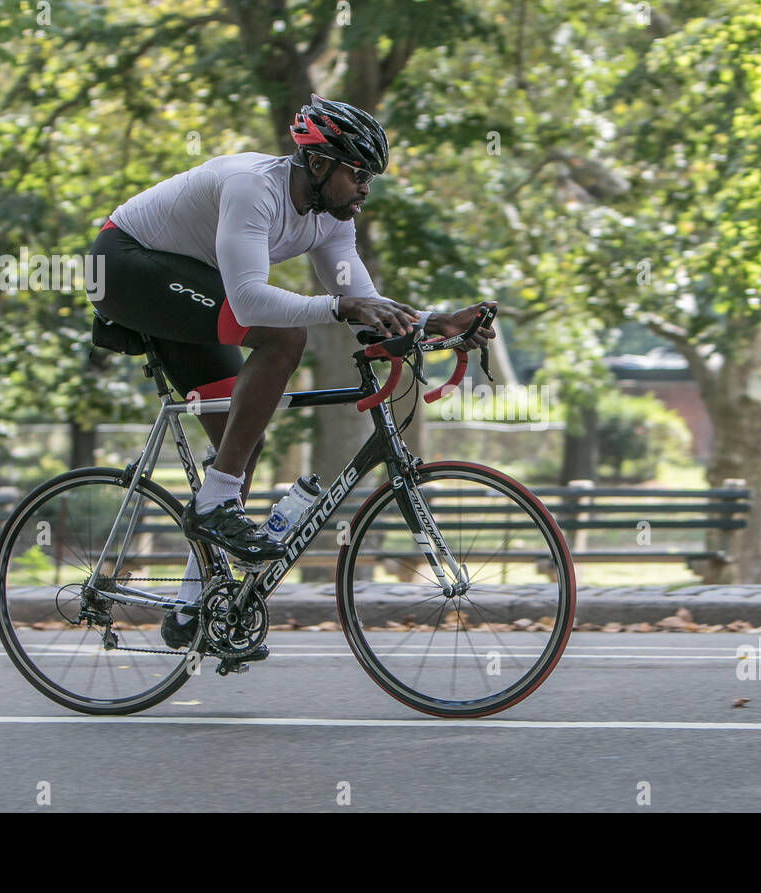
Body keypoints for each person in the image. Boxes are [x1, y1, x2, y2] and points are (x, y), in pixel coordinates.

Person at [85, 95, 496, 649]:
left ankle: (192, 608)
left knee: (241, 438)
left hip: (189, 279)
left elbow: (362, 302)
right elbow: (252, 304)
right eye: (358, 173)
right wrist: (337, 309)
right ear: (320, 164)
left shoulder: (330, 221)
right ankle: (213, 507)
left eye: (371, 178)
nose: (365, 189)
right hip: (122, 265)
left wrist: (436, 323)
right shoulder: (255, 188)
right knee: (284, 337)